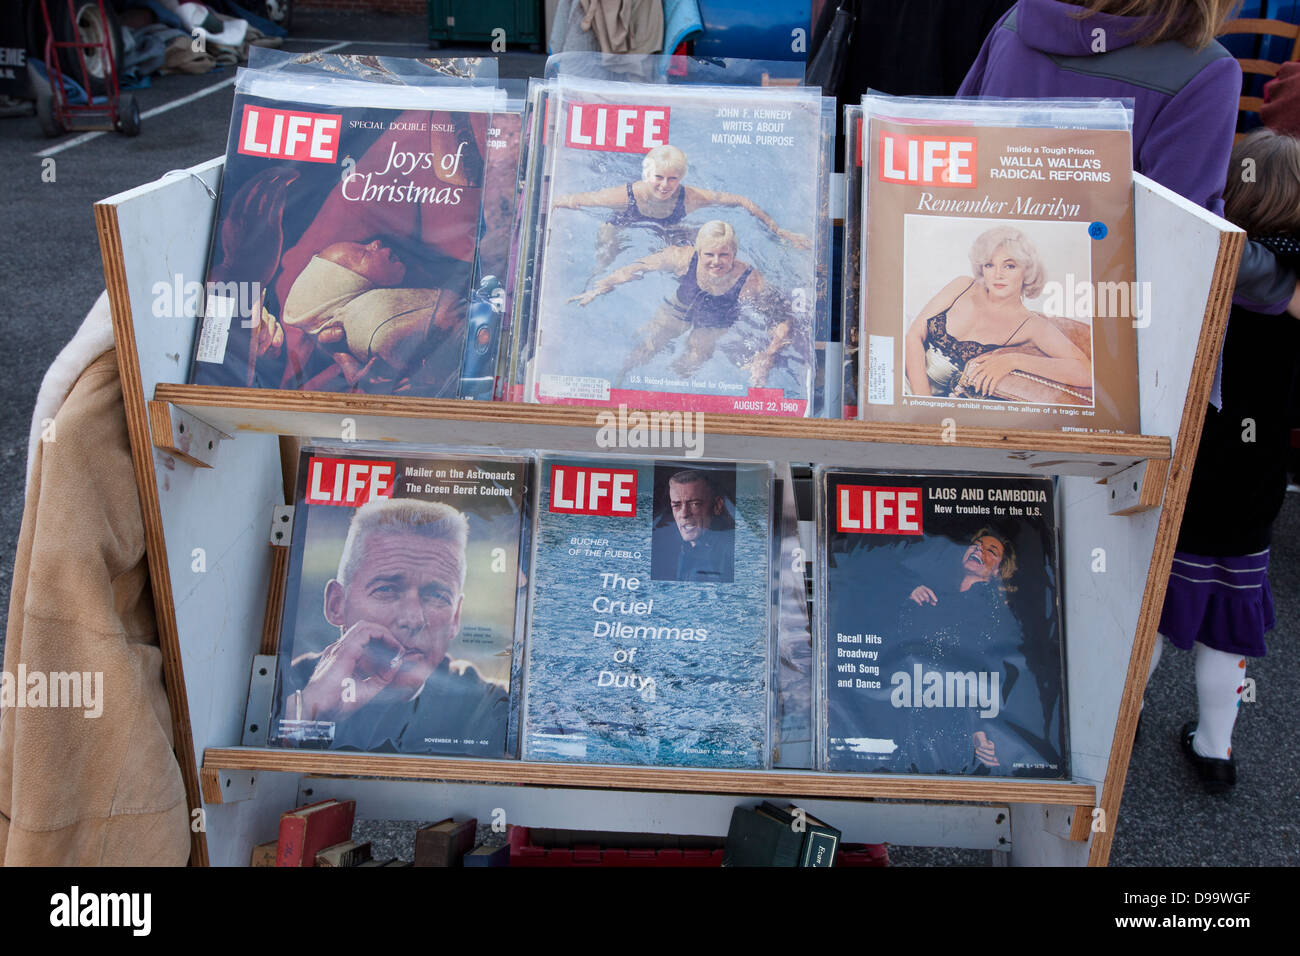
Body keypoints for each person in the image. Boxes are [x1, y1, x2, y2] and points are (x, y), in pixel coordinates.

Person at [958, 0, 1300, 321]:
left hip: (988, 304)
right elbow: (1184, 239)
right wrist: (1282, 286)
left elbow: (950, 157)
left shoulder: (1016, 24)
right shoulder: (1205, 70)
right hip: (1110, 324)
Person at [1151, 129, 1300, 793]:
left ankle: (1108, 731)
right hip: (1259, 476)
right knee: (1228, 625)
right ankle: (1216, 748)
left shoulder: (1205, 271)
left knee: (1151, 609)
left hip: (1189, 467)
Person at [281, 498, 507, 755]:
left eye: (436, 596)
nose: (413, 619)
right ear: (336, 604)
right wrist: (310, 710)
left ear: (455, 617)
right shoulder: (286, 688)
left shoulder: (489, 708)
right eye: (386, 589)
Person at [570, 220, 795, 386]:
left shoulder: (750, 280)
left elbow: (782, 320)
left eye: (724, 255)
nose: (716, 262)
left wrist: (766, 357)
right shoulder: (681, 258)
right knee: (649, 345)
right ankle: (619, 381)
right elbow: (638, 266)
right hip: (678, 308)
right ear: (698, 251)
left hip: (716, 322)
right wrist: (602, 286)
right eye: (709, 254)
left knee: (694, 360)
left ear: (734, 253)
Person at [904, 225, 1091, 400]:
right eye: (989, 265)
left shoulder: (1032, 325)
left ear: (1027, 270)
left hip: (942, 411)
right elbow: (913, 336)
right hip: (904, 383)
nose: (997, 274)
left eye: (1009, 266)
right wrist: (922, 400)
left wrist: (1015, 360)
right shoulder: (963, 286)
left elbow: (1086, 372)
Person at [893, 528, 1024, 773]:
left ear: (997, 571)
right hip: (913, 718)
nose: (979, 549)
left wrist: (978, 729)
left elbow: (984, 671)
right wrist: (910, 601)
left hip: (952, 728)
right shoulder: (935, 597)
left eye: (991, 551)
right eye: (977, 543)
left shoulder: (992, 611)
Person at [552, 144, 812, 248]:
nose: (665, 185)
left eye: (672, 178)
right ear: (647, 175)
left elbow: (741, 201)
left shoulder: (691, 197)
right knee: (606, 247)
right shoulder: (623, 196)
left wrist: (779, 231)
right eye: (659, 177)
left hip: (671, 226)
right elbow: (578, 199)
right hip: (625, 221)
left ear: (681, 178)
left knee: (699, 254)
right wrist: (552, 204)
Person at [651, 469, 735, 583]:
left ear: (717, 506)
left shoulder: (732, 550)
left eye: (695, 504)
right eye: (676, 505)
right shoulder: (675, 550)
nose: (684, 514)